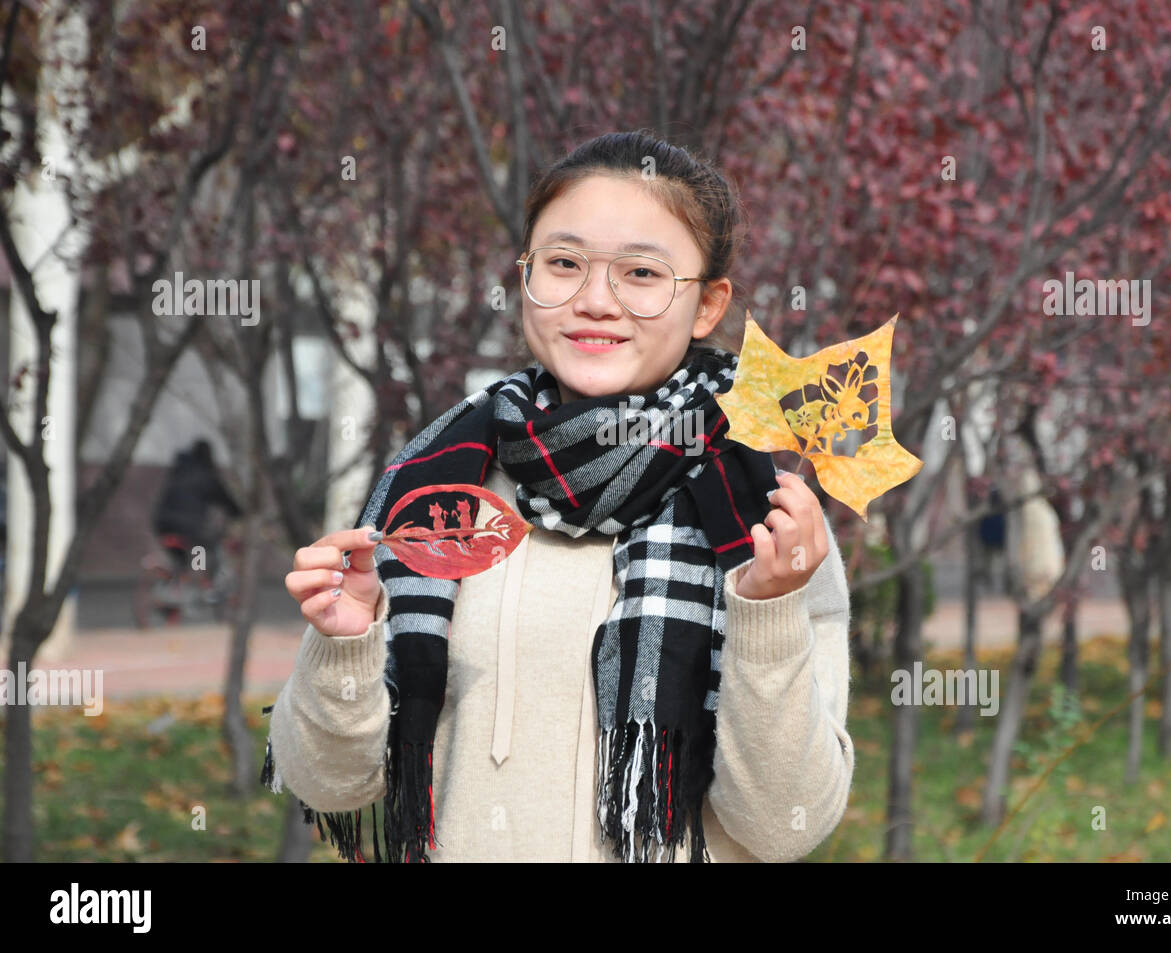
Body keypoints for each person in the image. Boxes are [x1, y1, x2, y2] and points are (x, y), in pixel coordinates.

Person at [265, 130, 854, 863]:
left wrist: (768, 611)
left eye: (640, 272)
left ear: (707, 305)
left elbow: (784, 825)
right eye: (564, 263)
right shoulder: (437, 481)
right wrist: (344, 646)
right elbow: (328, 785)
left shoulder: (762, 513)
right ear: (526, 277)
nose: (594, 301)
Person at [151, 439, 243, 591]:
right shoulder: (207, 475)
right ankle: (203, 586)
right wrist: (239, 513)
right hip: (188, 526)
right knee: (208, 546)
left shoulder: (179, 470)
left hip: (162, 524)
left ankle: (173, 587)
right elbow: (226, 500)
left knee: (181, 559)